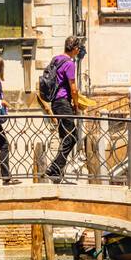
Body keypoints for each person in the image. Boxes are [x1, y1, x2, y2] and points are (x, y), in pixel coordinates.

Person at [44, 36, 87, 182]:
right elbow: (73, 89)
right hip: (63, 103)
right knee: (72, 136)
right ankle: (54, 168)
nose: (78, 51)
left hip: (55, 103)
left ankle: (58, 174)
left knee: (64, 137)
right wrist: (76, 104)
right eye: (78, 49)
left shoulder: (55, 59)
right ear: (75, 49)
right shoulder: (69, 63)